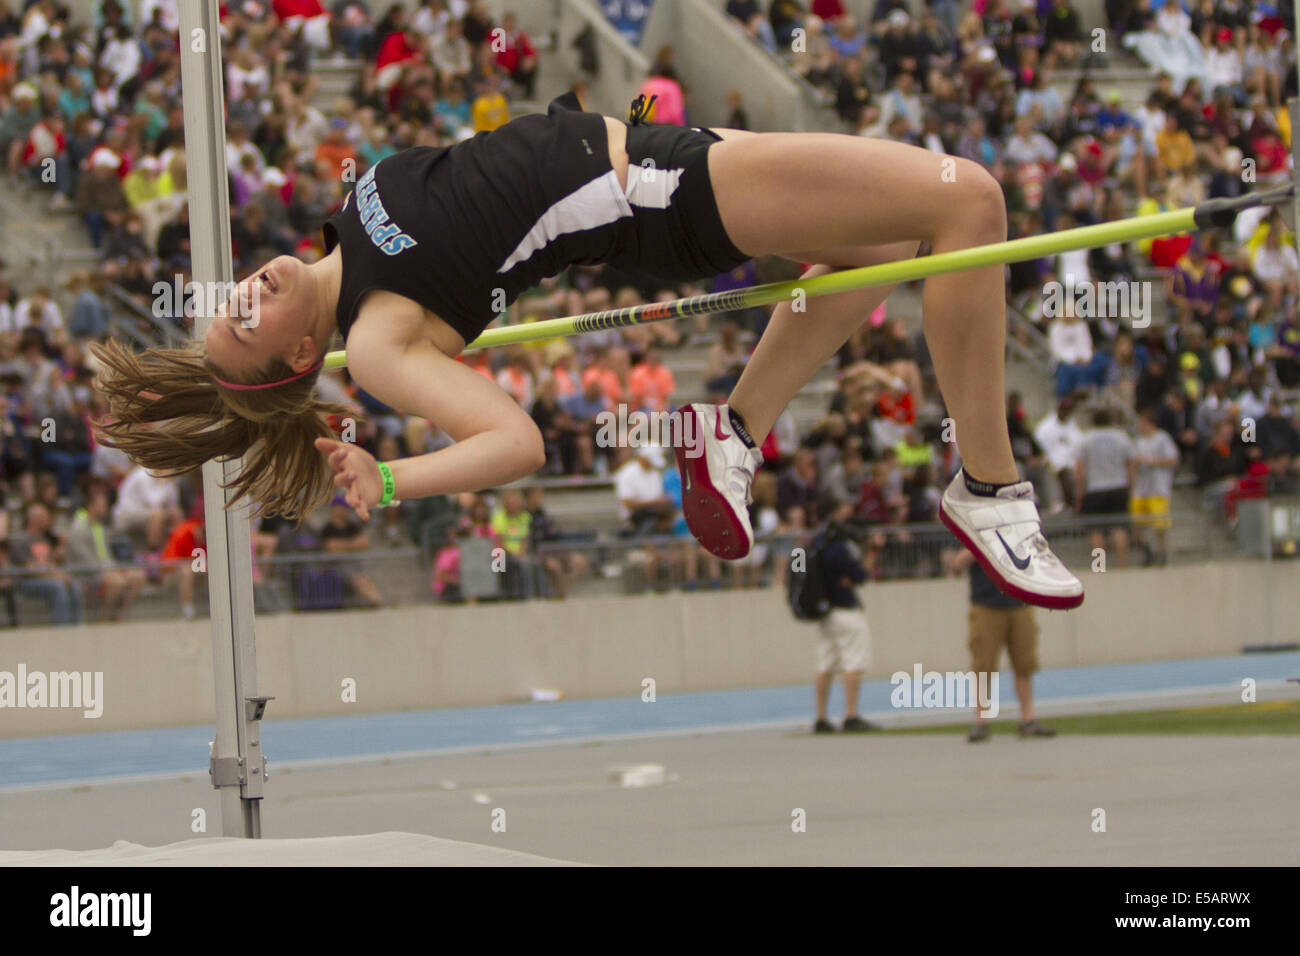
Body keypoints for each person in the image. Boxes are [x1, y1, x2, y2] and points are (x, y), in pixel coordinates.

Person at [92, 91, 1082, 611]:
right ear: (303, 353)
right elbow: (515, 441)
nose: (244, 294)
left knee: (876, 250)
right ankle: (989, 488)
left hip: (653, 142)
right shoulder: (381, 340)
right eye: (245, 322)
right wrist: (390, 480)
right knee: (970, 202)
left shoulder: (344, 225)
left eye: (227, 302)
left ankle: (732, 432)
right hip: (652, 193)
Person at [951, 550, 1056, 743]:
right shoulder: (977, 528)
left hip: (1020, 602)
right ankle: (981, 721)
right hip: (986, 605)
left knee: (1024, 663)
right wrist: (979, 546)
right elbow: (957, 563)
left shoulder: (1019, 528)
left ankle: (1028, 719)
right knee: (983, 665)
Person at [808, 505, 880, 734]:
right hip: (845, 609)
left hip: (825, 612)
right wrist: (872, 552)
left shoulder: (815, 547)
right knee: (853, 661)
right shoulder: (839, 549)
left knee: (825, 663)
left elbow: (799, 567)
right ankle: (851, 714)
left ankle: (820, 717)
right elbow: (860, 576)